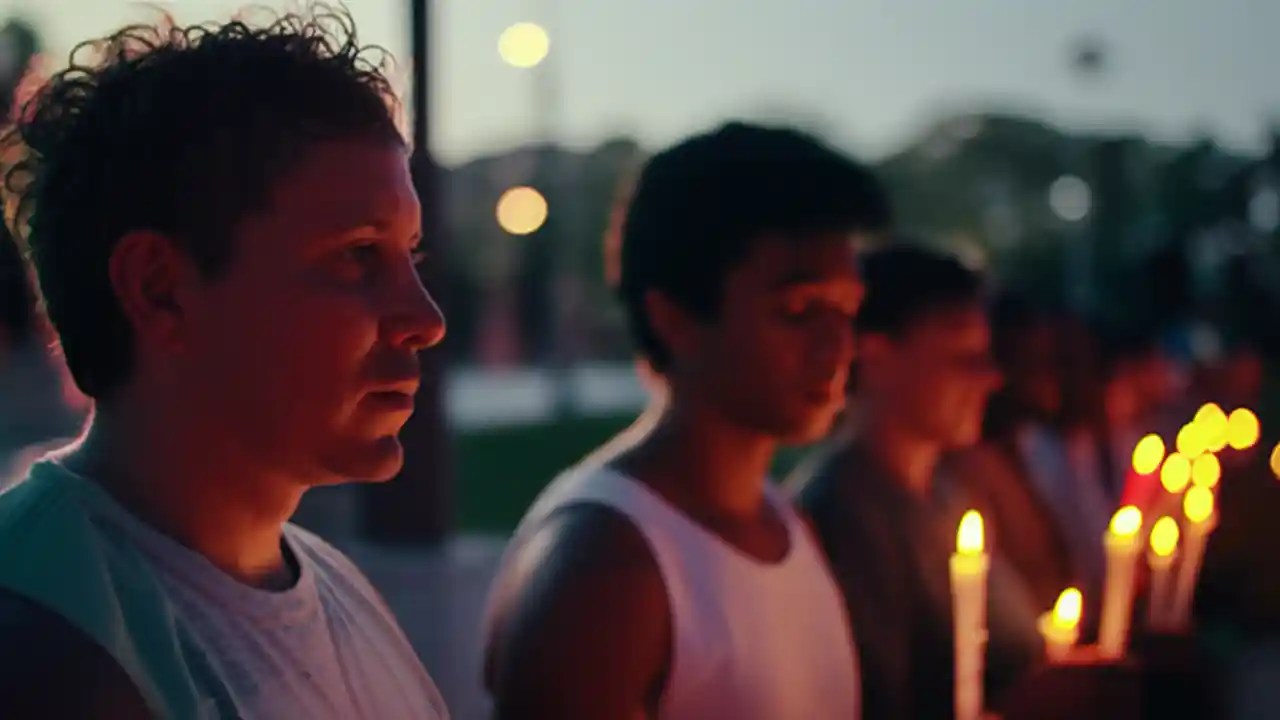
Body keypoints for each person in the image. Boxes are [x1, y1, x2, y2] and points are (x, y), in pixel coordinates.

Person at [0, 7, 449, 718]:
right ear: (160, 291)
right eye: (359, 254)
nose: (426, 320)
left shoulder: (331, 584)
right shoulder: (50, 650)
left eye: (411, 255)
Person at [481, 122, 890, 719]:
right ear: (675, 318)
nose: (838, 345)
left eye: (848, 309)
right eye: (800, 311)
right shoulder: (606, 569)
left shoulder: (784, 521)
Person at [789, 246, 1040, 719]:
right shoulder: (845, 515)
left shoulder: (948, 495)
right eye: (964, 357)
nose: (990, 378)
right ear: (878, 356)